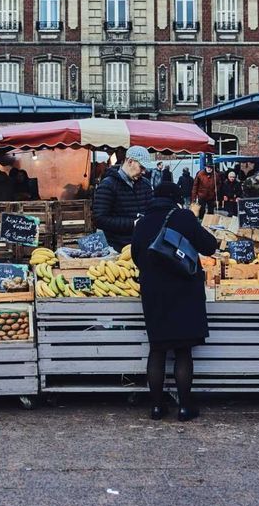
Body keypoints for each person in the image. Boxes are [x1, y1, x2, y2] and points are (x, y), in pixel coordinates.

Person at [131, 178, 218, 422]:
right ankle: (184, 407)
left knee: (157, 349)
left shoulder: (142, 221)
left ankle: (157, 407)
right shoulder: (183, 218)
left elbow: (136, 256)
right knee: (182, 351)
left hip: (154, 292)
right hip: (183, 290)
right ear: (176, 199)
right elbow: (209, 246)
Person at [92, 145, 156, 250]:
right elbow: (99, 219)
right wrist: (132, 224)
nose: (144, 172)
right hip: (117, 247)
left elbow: (150, 209)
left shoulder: (145, 184)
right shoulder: (108, 185)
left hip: (143, 245)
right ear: (130, 161)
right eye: (142, 167)